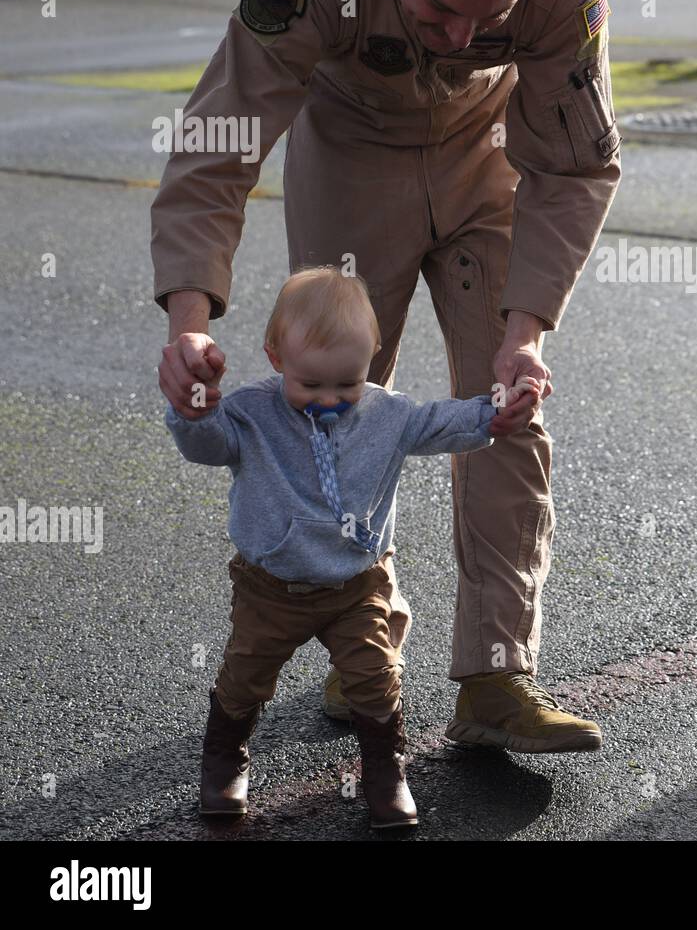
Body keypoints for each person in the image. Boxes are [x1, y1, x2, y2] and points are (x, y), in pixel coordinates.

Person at [153, 0, 621, 755]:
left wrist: (524, 336)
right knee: (340, 404)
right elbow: (218, 143)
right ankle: (358, 635)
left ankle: (495, 677)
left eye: (488, 20)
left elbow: (574, 164)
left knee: (506, 410)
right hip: (353, 151)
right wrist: (189, 324)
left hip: (486, 154)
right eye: (440, 10)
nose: (458, 36)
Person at [166, 265, 541, 828]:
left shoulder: (385, 414)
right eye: (310, 385)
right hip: (271, 585)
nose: (330, 400)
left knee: (375, 677)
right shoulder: (250, 413)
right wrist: (194, 410)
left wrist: (496, 413)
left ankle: (386, 773)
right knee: (246, 677)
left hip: (358, 583)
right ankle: (225, 763)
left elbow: (443, 421)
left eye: (348, 383)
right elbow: (204, 445)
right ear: (276, 357)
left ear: (371, 360)